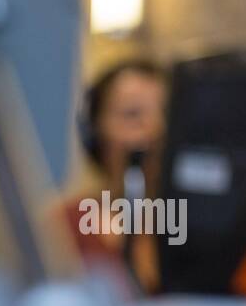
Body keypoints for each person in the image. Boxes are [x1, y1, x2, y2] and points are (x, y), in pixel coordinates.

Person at [55, 58, 168, 293]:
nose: (156, 128)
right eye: (132, 114)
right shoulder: (65, 227)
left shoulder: (199, 227)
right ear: (95, 132)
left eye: (167, 113)